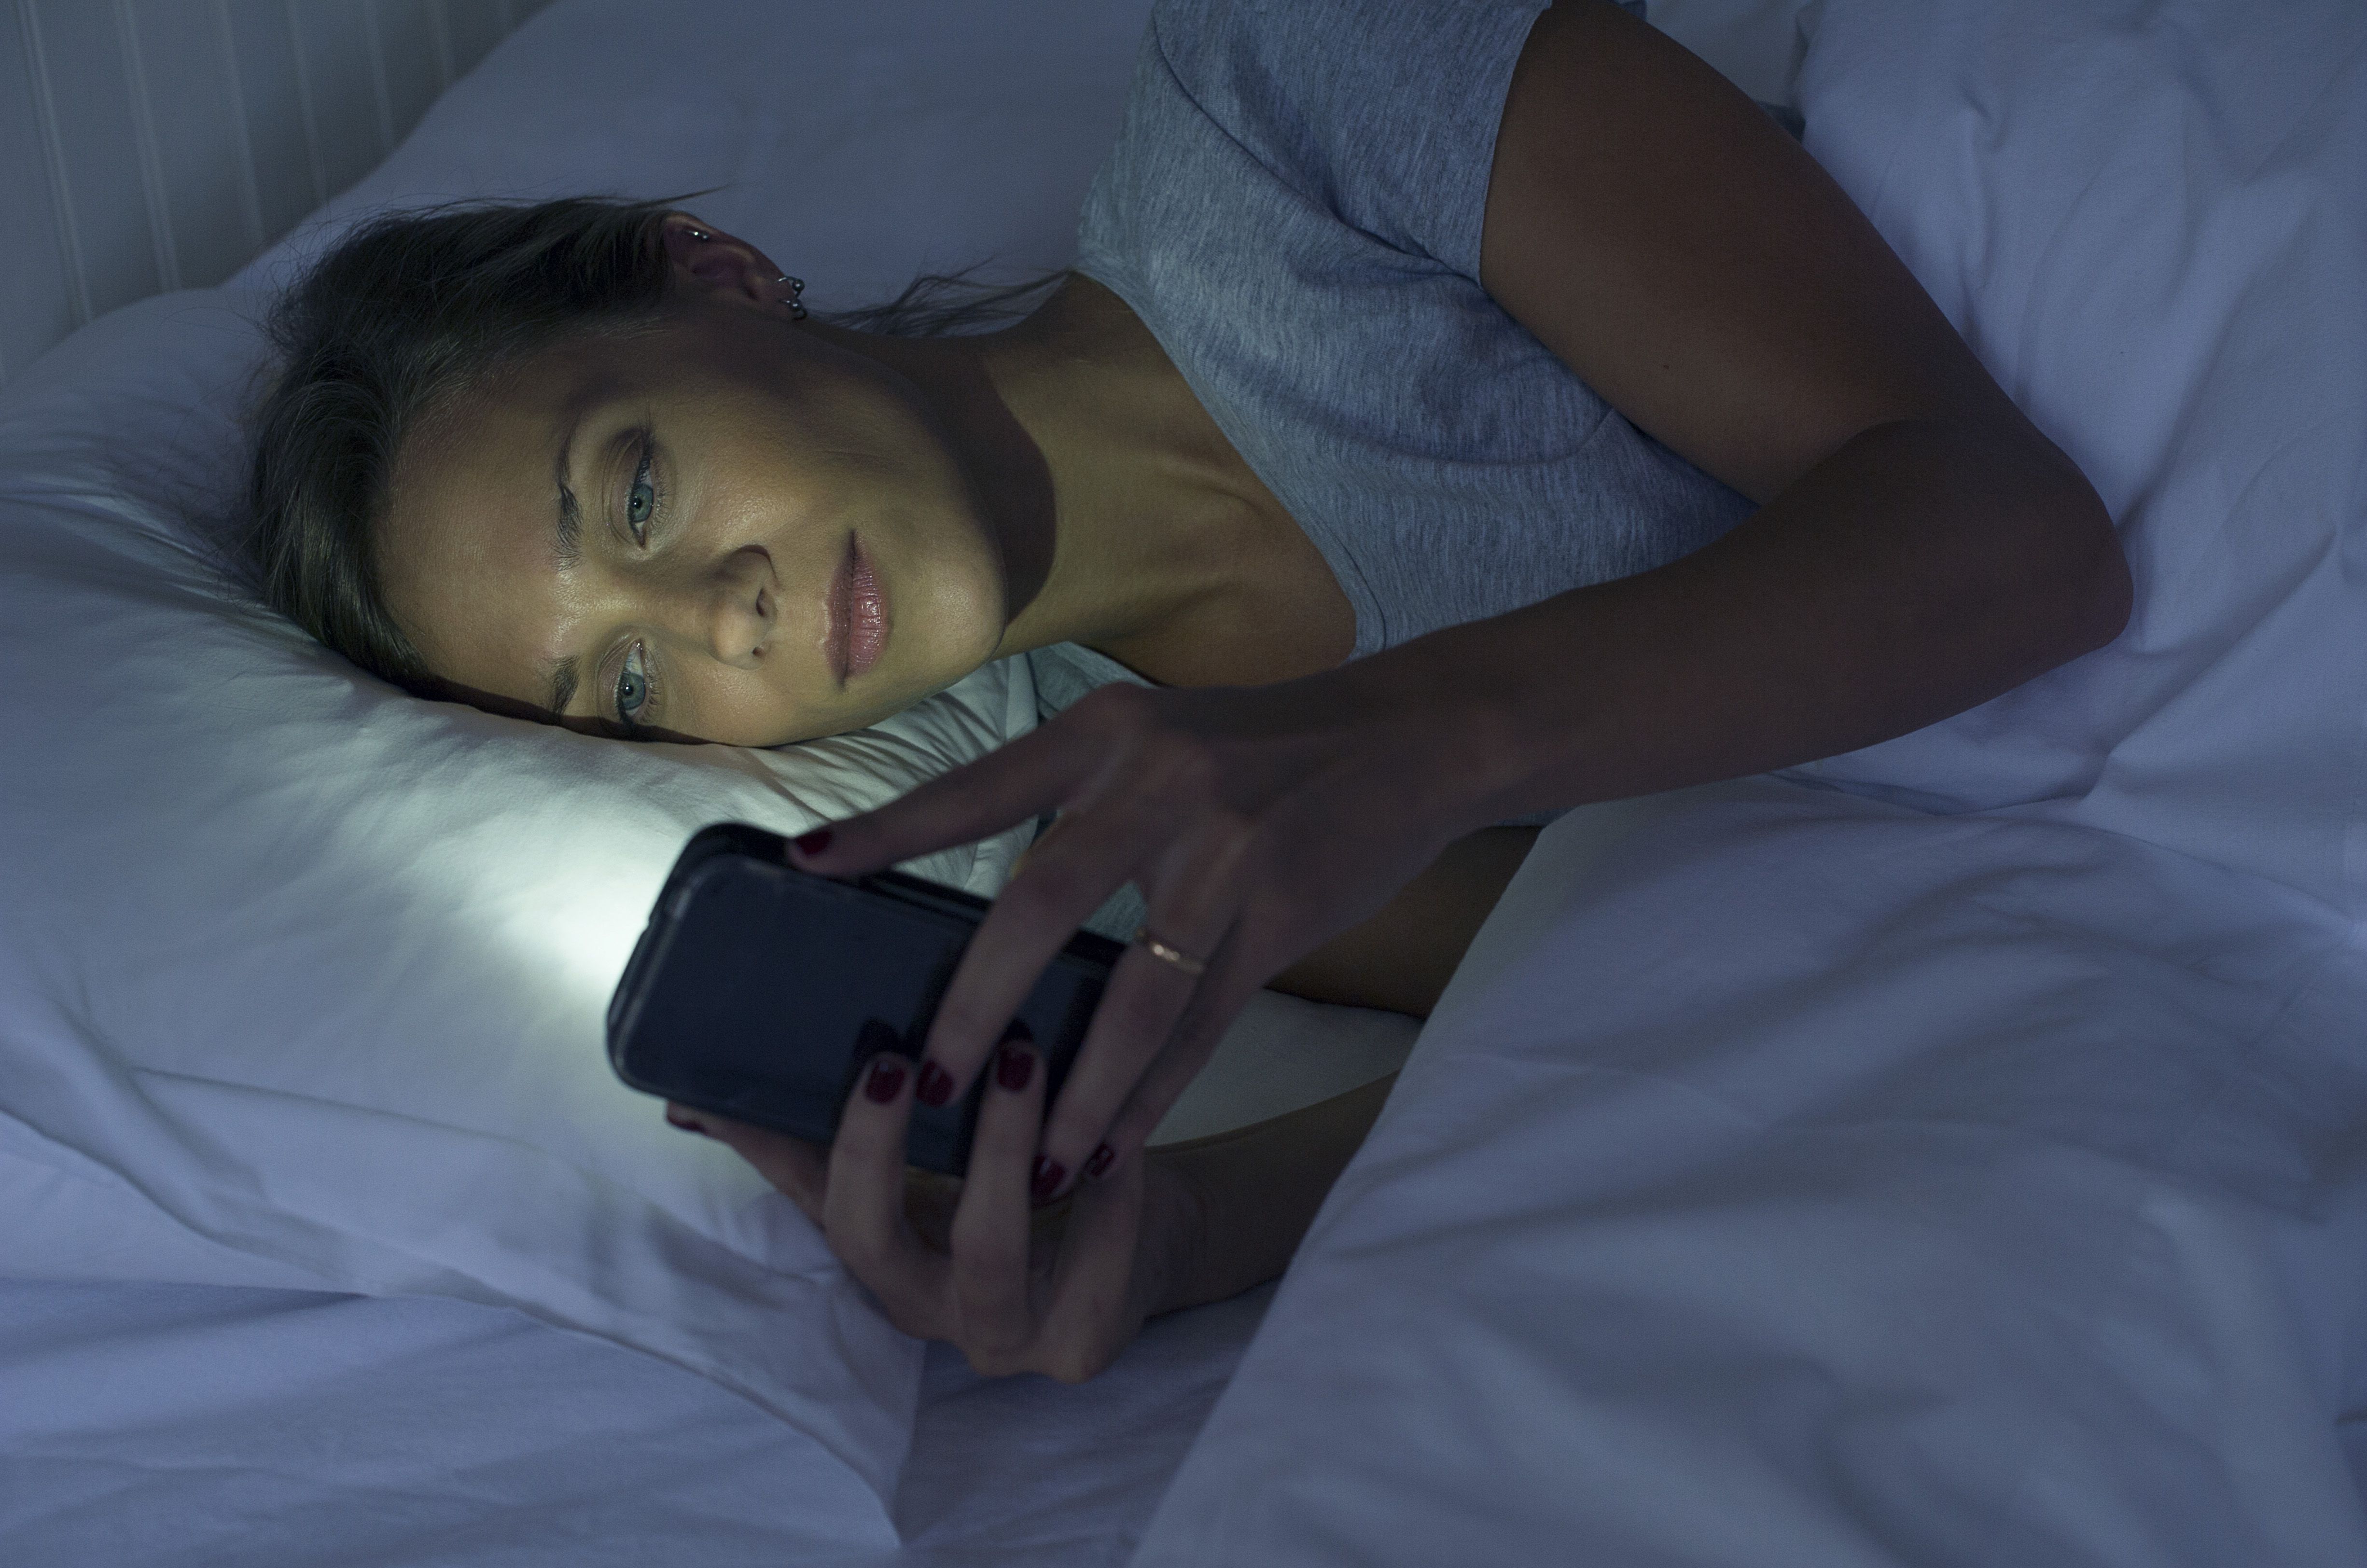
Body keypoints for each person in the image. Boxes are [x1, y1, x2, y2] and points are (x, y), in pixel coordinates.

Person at [247, 0, 2129, 1382]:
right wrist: (1168, 1244)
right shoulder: (1124, 832)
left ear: (721, 277)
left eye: (636, 492)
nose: (715, 616)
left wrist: (1400, 747)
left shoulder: (1286, 88)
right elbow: (1689, 974)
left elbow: (2016, 539)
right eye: (630, 684)